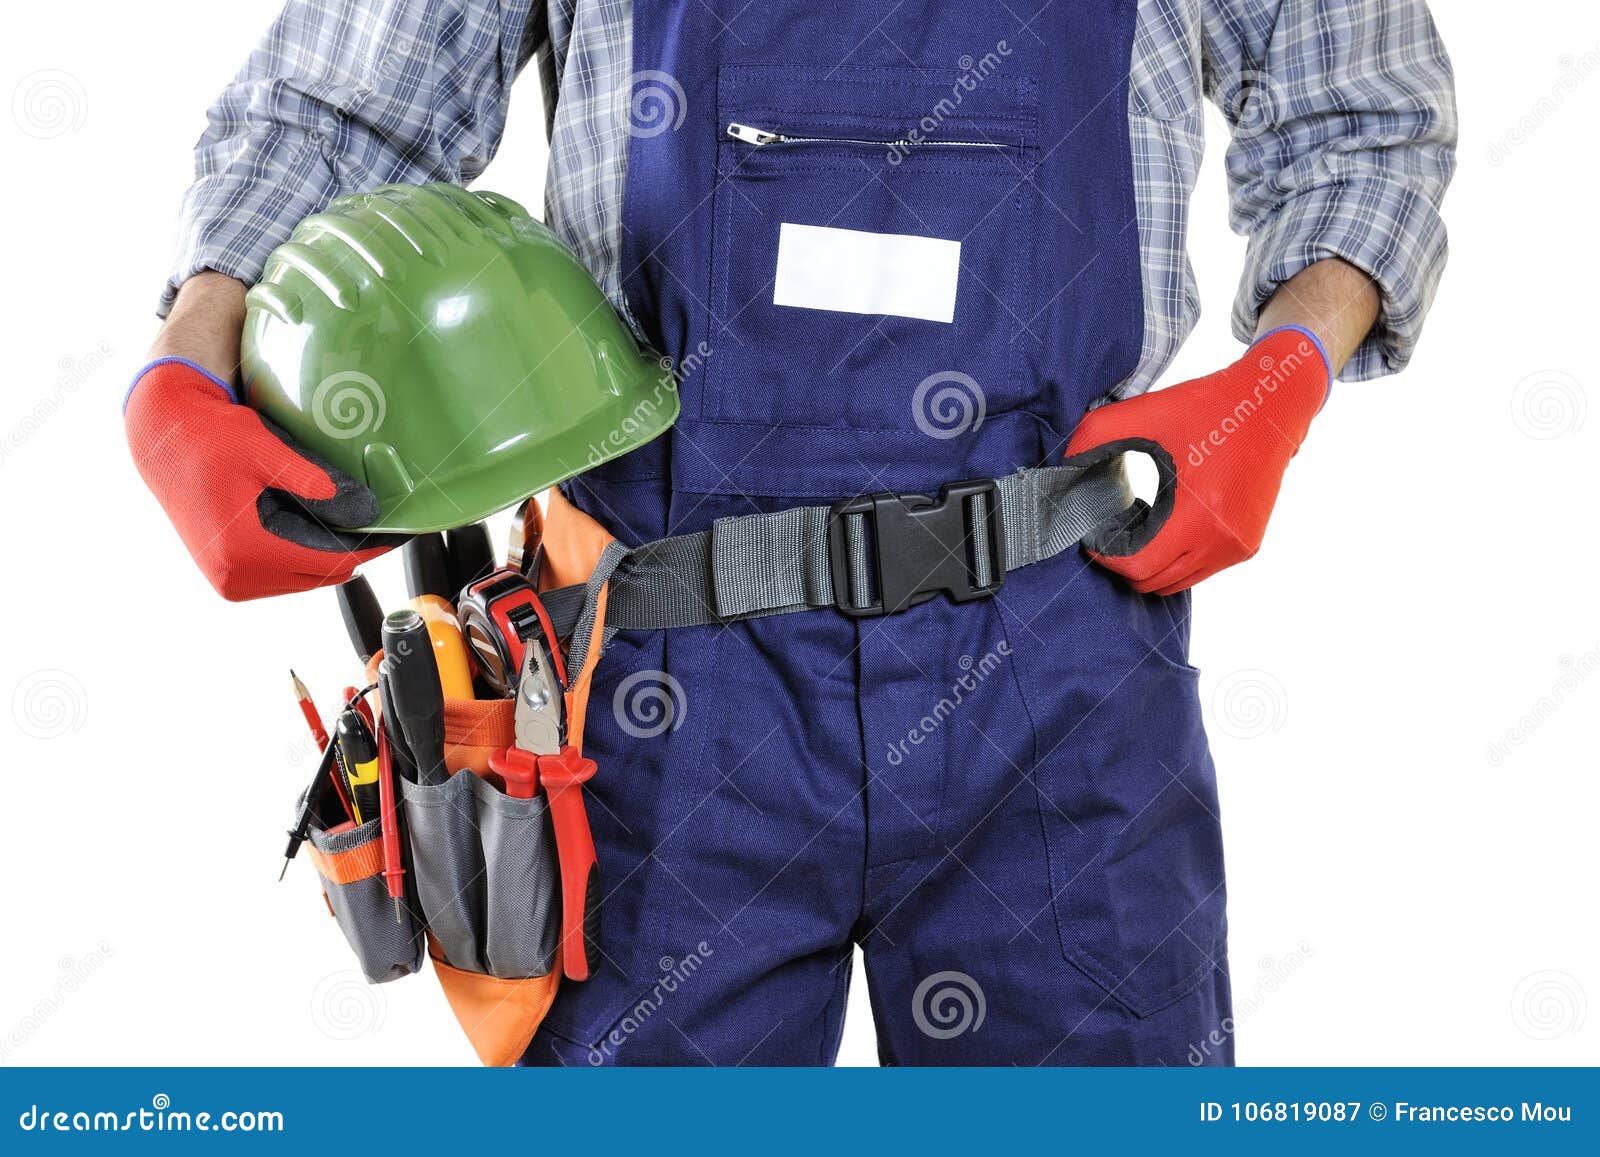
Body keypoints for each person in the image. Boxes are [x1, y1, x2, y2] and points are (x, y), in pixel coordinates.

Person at [125, 1, 1456, 1064]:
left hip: (1062, 666)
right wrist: (189, 361)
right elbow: (333, 112)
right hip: (643, 697)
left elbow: (1367, 113)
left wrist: (1284, 373)